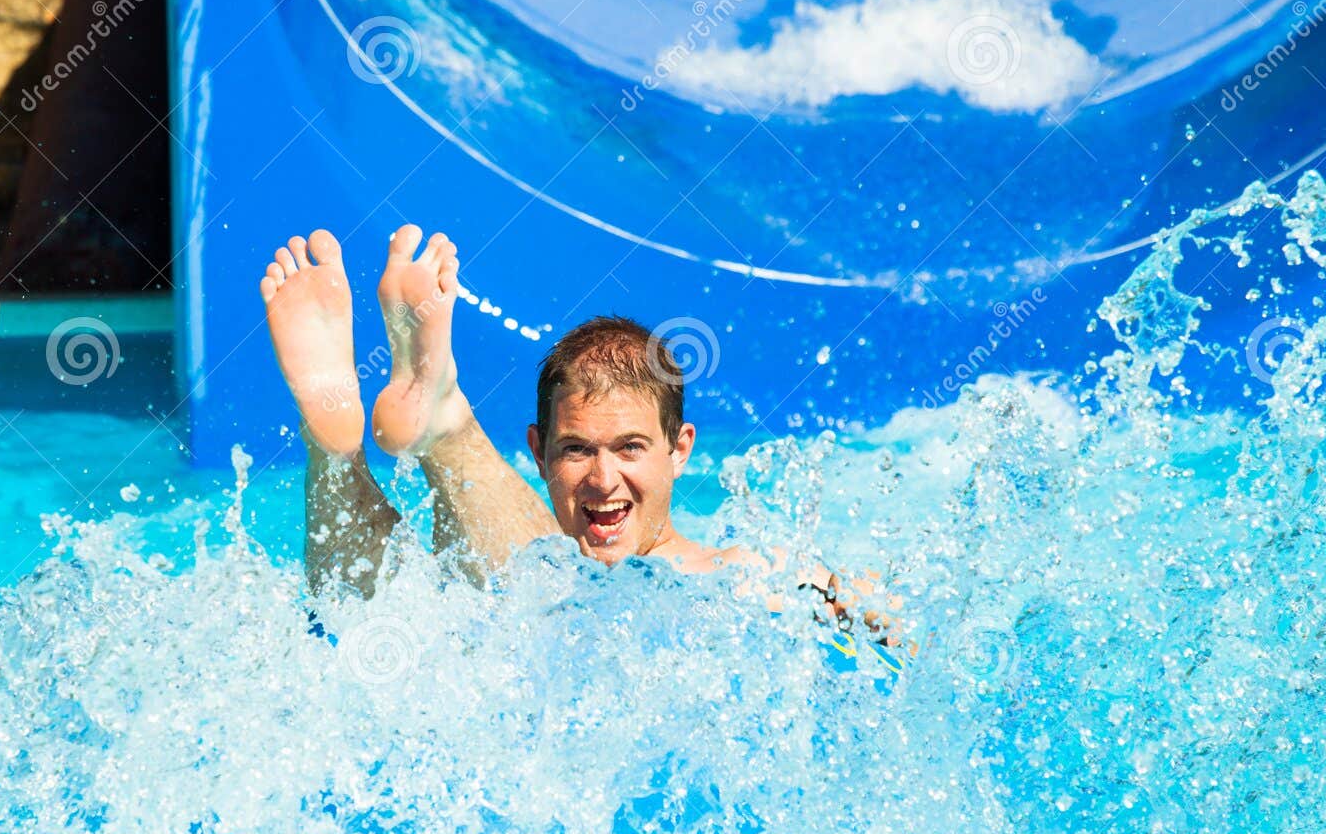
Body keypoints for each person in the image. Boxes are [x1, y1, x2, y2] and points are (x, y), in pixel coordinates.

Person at [258, 225, 899, 642]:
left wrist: (870, 608)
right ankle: (361, 437)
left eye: (629, 447)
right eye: (576, 450)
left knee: (501, 589)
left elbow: (883, 613)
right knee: (461, 599)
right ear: (538, 453)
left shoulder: (744, 575)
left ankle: (410, 431)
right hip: (509, 653)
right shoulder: (727, 584)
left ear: (681, 450)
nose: (602, 479)